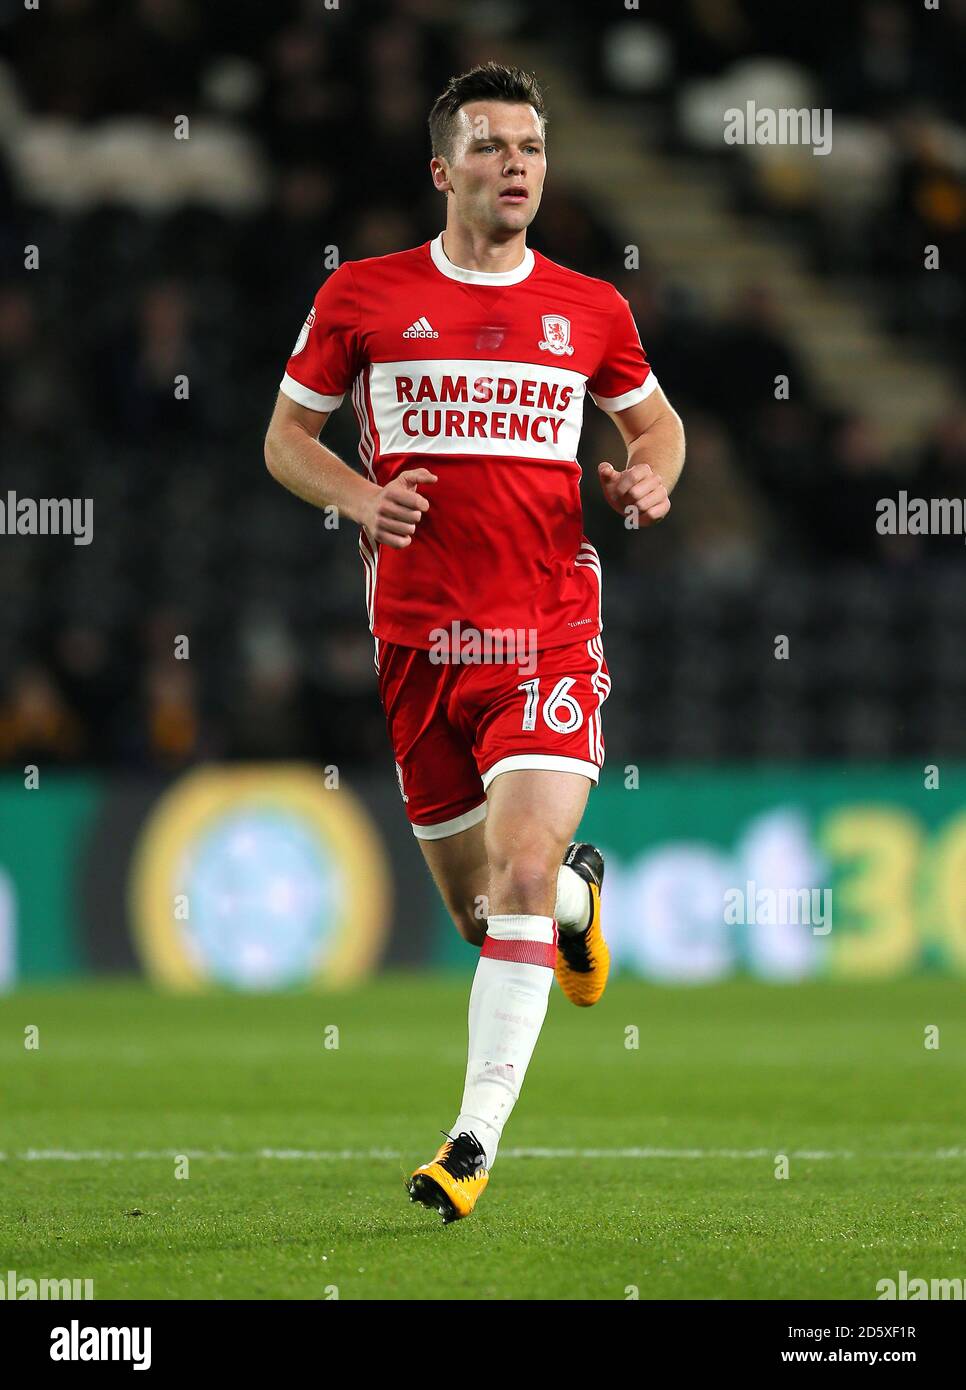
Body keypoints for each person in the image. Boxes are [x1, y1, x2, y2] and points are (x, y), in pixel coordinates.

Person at [264, 62, 685, 1223]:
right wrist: (357, 497)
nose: (518, 164)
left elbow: (657, 423)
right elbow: (284, 440)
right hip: (418, 645)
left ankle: (471, 1139)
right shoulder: (363, 298)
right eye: (493, 146)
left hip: (546, 627)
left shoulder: (591, 307)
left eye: (534, 147)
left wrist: (649, 479)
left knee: (517, 868)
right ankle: (575, 911)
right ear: (442, 169)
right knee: (479, 911)